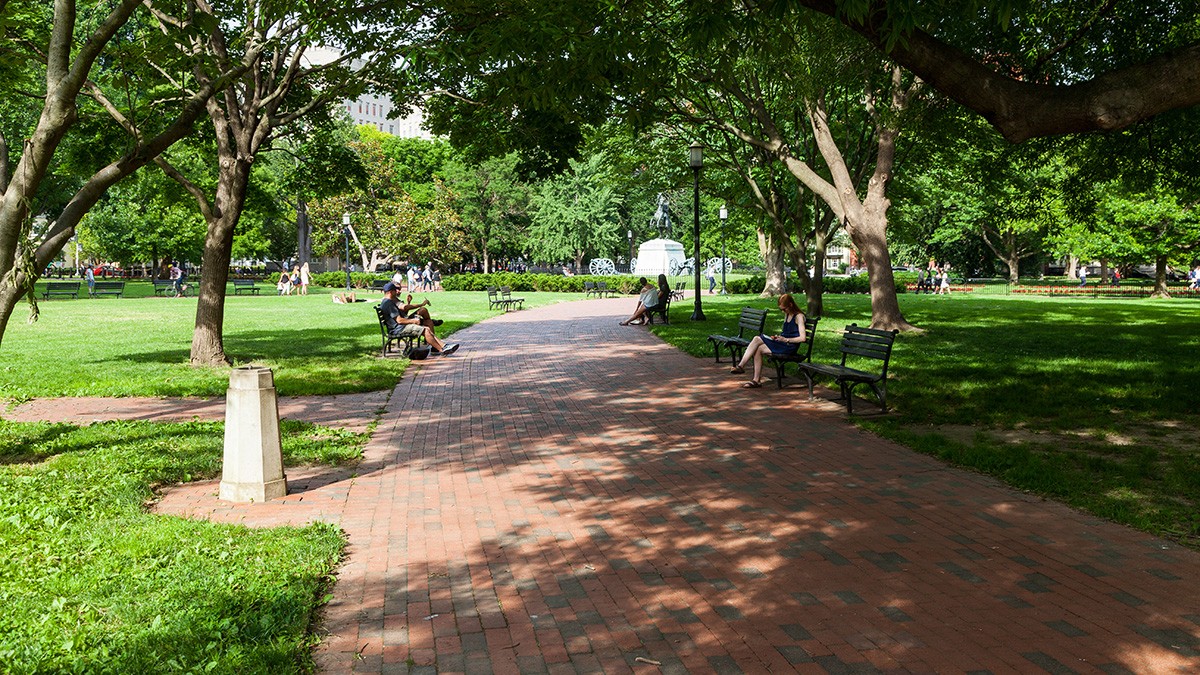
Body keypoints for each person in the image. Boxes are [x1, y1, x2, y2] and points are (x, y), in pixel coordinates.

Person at [729, 294, 806, 388]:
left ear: (790, 305)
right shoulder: (787, 315)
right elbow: (786, 333)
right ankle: (756, 380)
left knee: (757, 338)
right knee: (758, 349)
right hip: (782, 343)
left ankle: (741, 366)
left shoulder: (799, 317)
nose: (783, 311)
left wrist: (786, 339)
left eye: (784, 309)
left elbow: (803, 338)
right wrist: (778, 338)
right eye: (781, 309)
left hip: (789, 347)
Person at [379, 282, 457, 355]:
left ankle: (443, 346)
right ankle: (442, 350)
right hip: (398, 329)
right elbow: (399, 320)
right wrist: (413, 321)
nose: (397, 292)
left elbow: (402, 316)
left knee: (427, 328)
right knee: (425, 330)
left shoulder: (388, 302)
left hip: (399, 327)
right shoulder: (388, 303)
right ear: (390, 292)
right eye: (395, 290)